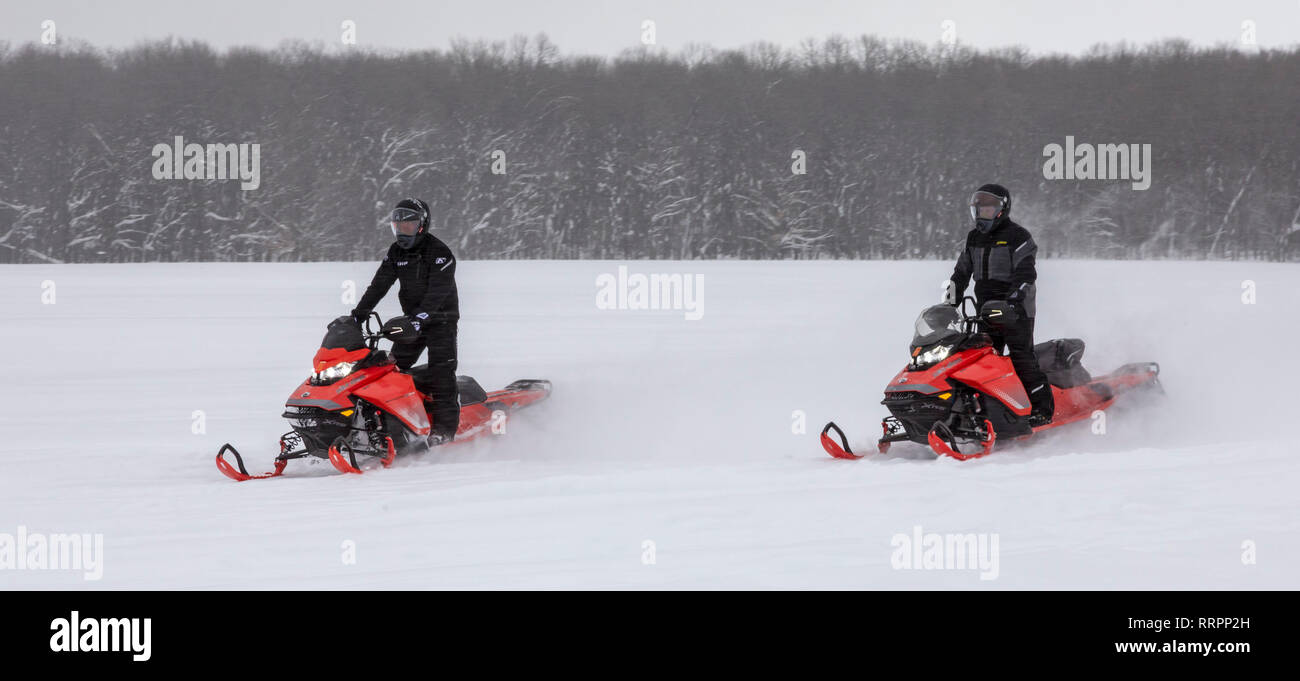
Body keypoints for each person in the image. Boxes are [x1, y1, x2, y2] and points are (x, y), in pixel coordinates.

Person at [349, 198, 461, 444]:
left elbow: (437, 292)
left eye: (408, 227)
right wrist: (359, 313)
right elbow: (380, 284)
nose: (402, 232)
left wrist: (421, 317)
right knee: (391, 369)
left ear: (421, 226)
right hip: (411, 322)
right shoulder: (396, 252)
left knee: (441, 372)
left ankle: (444, 431)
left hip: (441, 321)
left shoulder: (440, 253)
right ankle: (387, 425)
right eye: (398, 227)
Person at [944, 183, 1054, 426]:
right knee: (981, 361)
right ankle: (982, 411)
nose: (982, 214)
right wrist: (950, 299)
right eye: (979, 210)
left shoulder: (1018, 236)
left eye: (987, 209)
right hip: (984, 311)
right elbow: (961, 272)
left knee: (1020, 358)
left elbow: (1025, 273)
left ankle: (1042, 411)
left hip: (1016, 311)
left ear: (1001, 210)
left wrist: (1013, 300)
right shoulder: (974, 238)